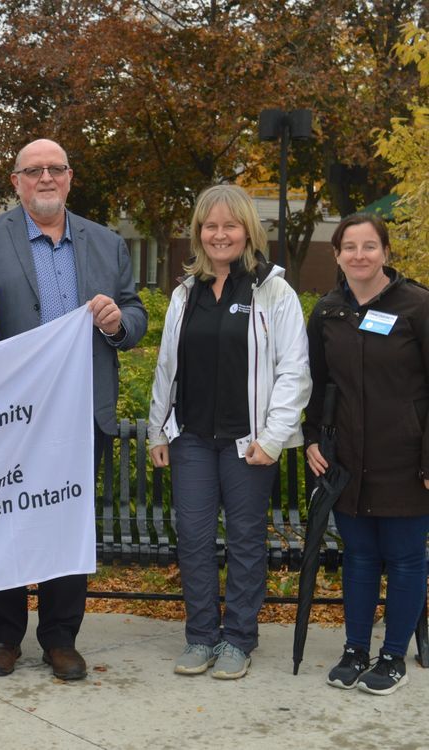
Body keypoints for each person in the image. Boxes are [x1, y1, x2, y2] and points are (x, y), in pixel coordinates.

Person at [0, 138, 148, 681]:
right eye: (33, 170)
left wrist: (118, 322)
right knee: (5, 518)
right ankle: (3, 636)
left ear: (69, 178)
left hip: (81, 411)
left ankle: (61, 637)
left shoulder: (106, 242)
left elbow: (135, 313)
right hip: (9, 414)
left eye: (56, 169)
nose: (46, 178)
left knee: (68, 522)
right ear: (15, 181)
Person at [148, 184, 310, 680]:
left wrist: (274, 438)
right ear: (199, 232)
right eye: (210, 226)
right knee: (194, 540)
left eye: (230, 225)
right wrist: (158, 431)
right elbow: (167, 367)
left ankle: (238, 639)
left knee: (244, 542)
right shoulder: (185, 293)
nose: (220, 235)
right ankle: (200, 636)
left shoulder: (273, 291)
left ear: (247, 231)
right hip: (191, 439)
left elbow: (294, 372)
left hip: (249, 444)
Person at [304, 213, 429, 695]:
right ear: (337, 255)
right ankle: (355, 650)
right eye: (350, 247)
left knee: (404, 559)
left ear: (386, 252)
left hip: (407, 461)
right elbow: (316, 384)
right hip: (348, 462)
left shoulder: (417, 306)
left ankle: (393, 656)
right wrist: (313, 438)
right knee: (358, 557)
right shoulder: (328, 311)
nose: (360, 255)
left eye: (369, 246)